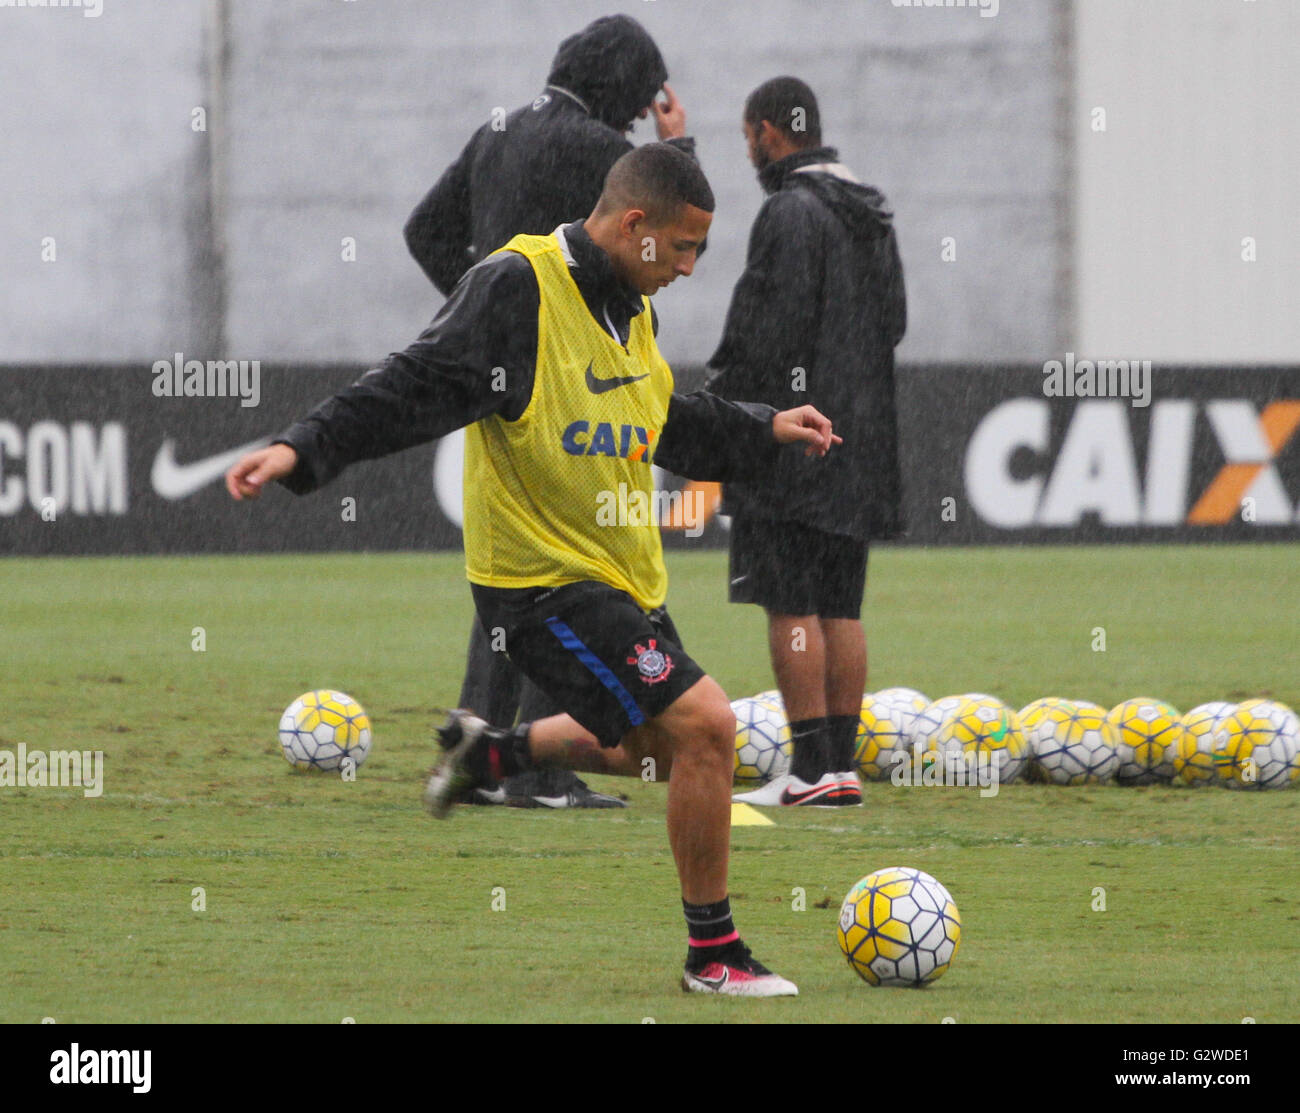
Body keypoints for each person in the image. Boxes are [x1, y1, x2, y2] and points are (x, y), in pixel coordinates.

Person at [226, 143, 841, 996]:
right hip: (540, 585)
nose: (694, 268)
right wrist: (303, 446)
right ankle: (715, 953)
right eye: (688, 246)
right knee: (706, 728)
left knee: (658, 756)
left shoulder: (634, 304)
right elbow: (410, 383)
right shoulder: (517, 288)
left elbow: (665, 421)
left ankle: (495, 755)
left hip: (622, 578)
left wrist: (764, 426)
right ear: (636, 226)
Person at [402, 13, 696, 808]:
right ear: (621, 87)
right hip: (577, 392)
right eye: (640, 100)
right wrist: (680, 146)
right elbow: (665, 222)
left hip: (501, 390)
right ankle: (539, 768)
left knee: (512, 566)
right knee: (577, 566)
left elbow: (424, 231)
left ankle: (479, 732)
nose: (640, 115)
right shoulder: (608, 152)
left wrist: (485, 325)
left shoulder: (496, 133)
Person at [706, 77, 907, 808]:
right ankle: (840, 768)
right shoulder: (870, 211)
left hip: (791, 440)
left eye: (746, 137)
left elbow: (768, 331)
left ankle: (811, 770)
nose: (749, 152)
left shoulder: (789, 211)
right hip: (861, 440)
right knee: (841, 606)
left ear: (767, 131)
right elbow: (894, 324)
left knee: (790, 603)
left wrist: (730, 411)